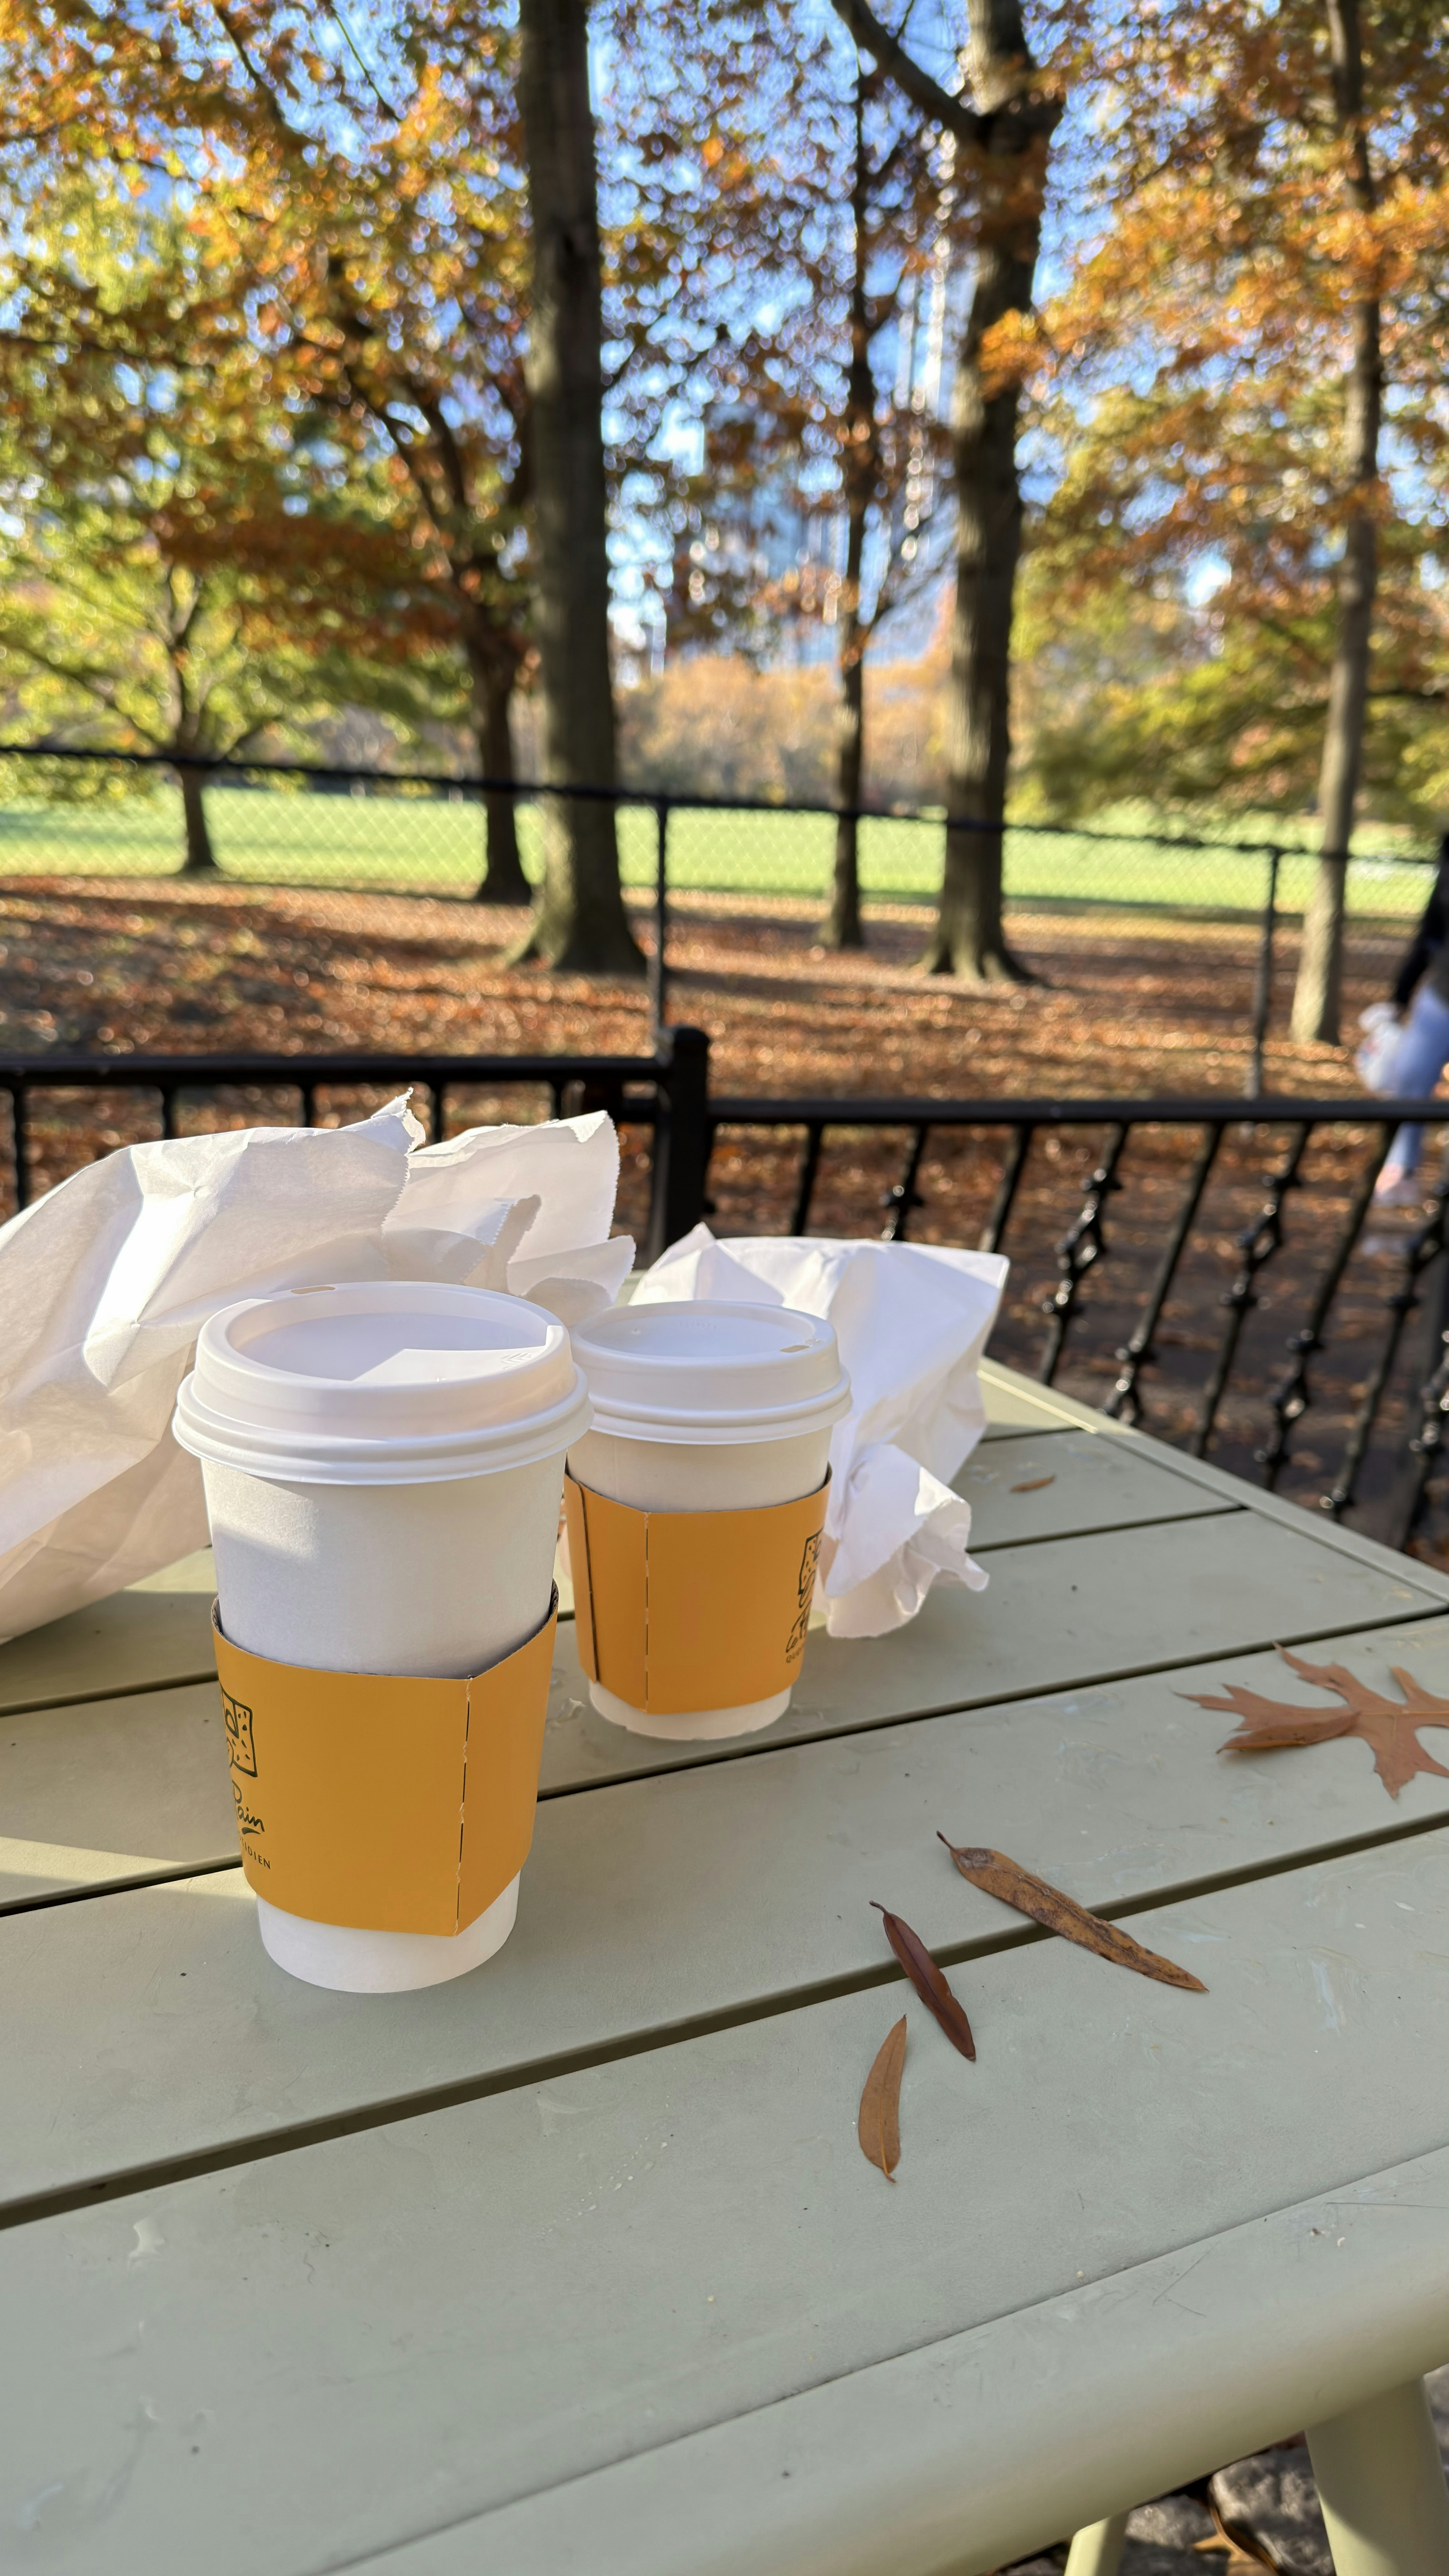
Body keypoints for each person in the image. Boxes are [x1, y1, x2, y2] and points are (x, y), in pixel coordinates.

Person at [1374, 828, 1449, 1207]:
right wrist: (1400, 997)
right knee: (1409, 1083)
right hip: (1441, 998)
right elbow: (1431, 931)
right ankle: (1400, 1169)